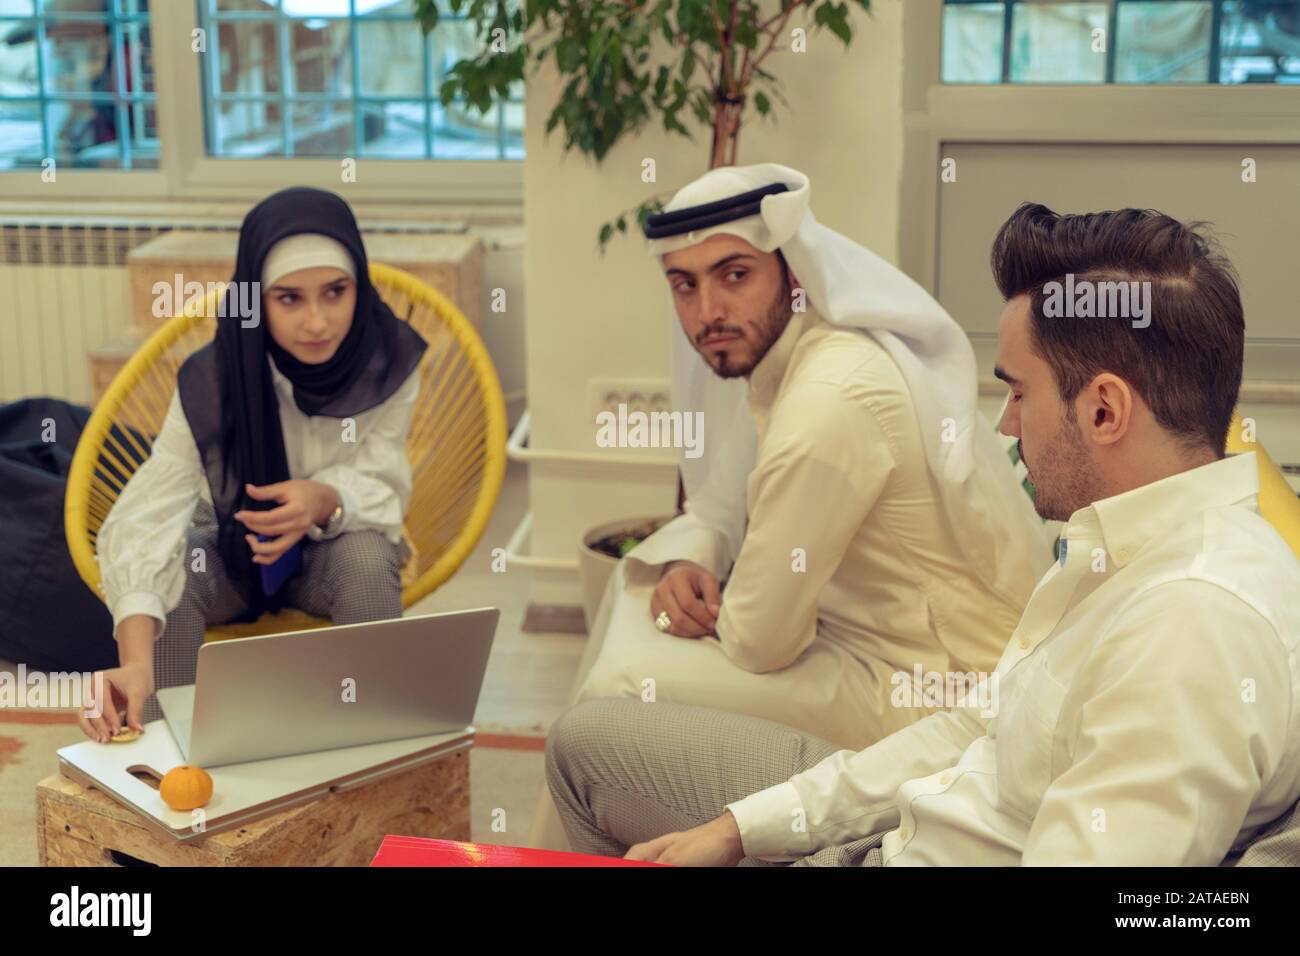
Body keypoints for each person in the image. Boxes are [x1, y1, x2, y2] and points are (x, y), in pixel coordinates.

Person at [544, 202, 1300, 867]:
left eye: (1017, 390)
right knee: (587, 742)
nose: (1004, 424)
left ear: (1104, 411)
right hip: (903, 816)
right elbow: (978, 729)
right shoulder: (1128, 539)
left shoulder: (1189, 629)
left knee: (598, 732)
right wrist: (746, 827)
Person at [528, 163, 1053, 849]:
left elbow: (759, 641)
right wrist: (694, 562)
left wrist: (718, 595)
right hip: (881, 649)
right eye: (684, 285)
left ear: (795, 273)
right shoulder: (805, 359)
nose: (708, 310)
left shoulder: (826, 398)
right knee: (635, 608)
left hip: (941, 694)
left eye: (734, 274)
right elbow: (728, 506)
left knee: (620, 683)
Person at [77, 186, 427, 741]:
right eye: (288, 298)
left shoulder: (388, 363)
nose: (316, 321)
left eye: (335, 292)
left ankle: (376, 748)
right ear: (256, 299)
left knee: (365, 557)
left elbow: (383, 480)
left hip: (325, 555)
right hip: (229, 557)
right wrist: (135, 659)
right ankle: (169, 757)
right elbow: (151, 512)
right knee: (179, 568)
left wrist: (324, 498)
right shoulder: (213, 380)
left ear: (359, 284)